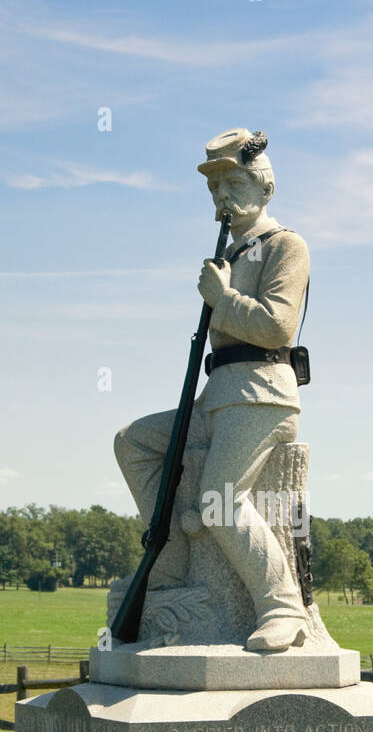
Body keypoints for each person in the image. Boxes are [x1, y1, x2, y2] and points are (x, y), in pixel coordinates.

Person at [114, 127, 311, 651]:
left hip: (261, 394)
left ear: (263, 184)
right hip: (218, 395)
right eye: (215, 188)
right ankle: (171, 559)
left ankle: (282, 607)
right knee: (134, 441)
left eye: (233, 183)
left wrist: (221, 300)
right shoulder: (233, 251)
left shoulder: (286, 246)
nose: (223, 197)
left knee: (221, 502)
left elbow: (276, 328)